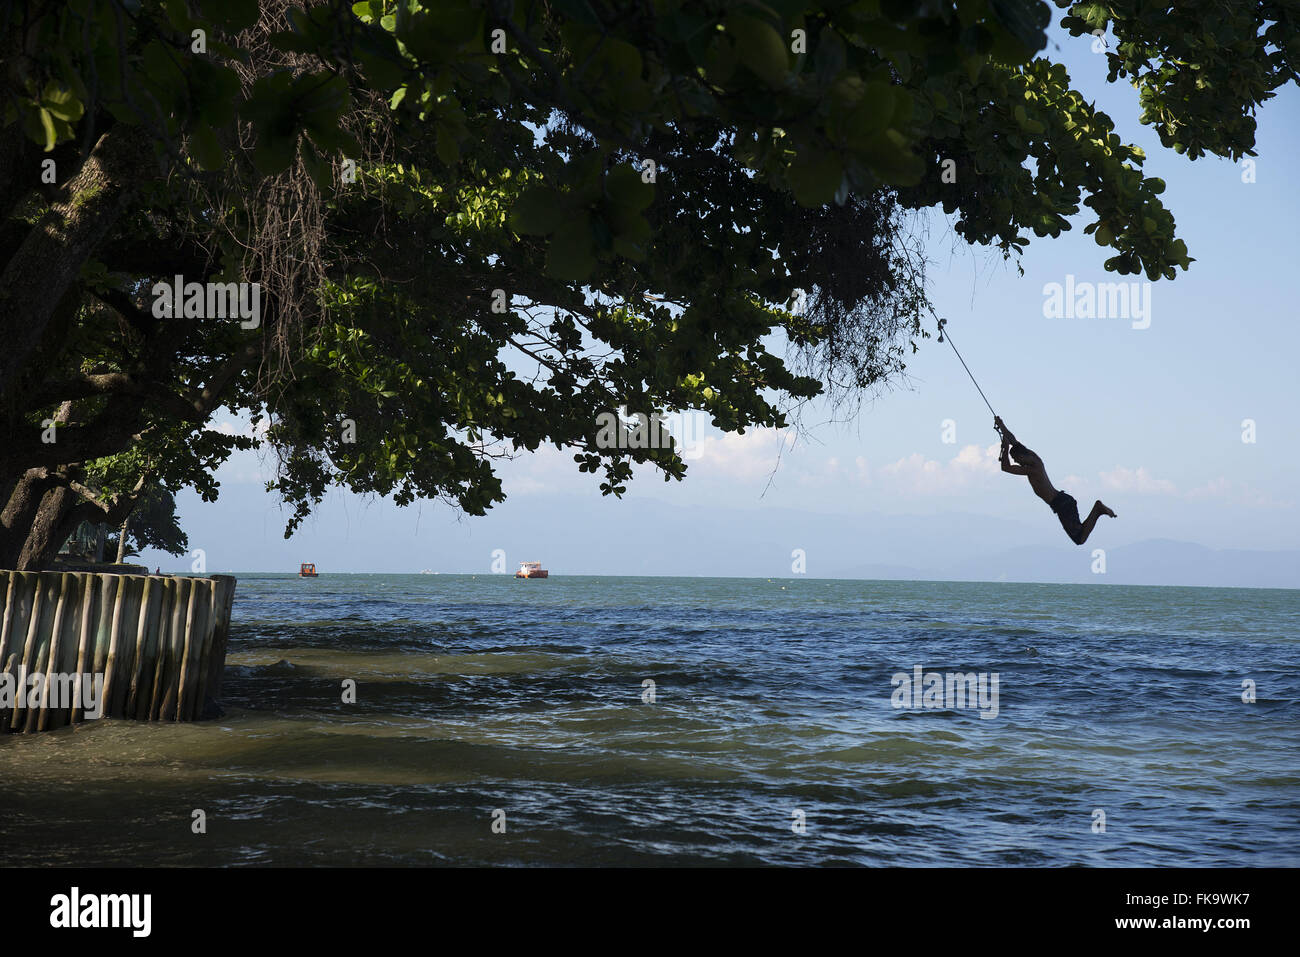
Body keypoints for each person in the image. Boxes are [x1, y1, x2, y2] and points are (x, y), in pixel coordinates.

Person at [995, 416, 1115, 545]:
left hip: (1061, 504)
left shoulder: (1032, 469)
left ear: (1021, 456)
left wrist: (1005, 448)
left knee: (1079, 539)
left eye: (1016, 459)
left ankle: (1097, 509)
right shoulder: (1033, 458)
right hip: (1062, 502)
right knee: (1079, 535)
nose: (1016, 461)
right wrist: (1001, 425)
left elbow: (1005, 467)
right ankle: (1097, 510)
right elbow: (1014, 441)